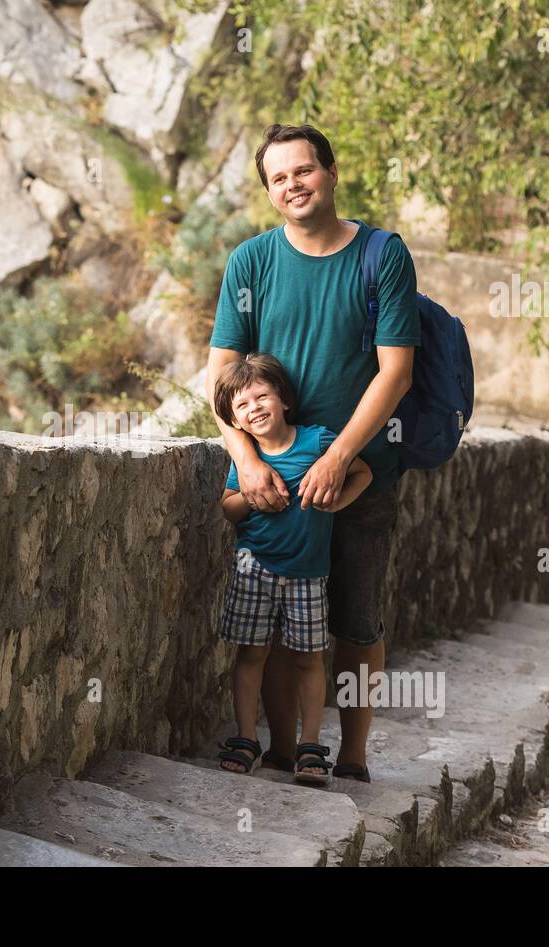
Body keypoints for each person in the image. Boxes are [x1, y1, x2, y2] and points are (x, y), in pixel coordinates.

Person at [206, 123, 420, 783]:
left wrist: (337, 456)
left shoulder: (382, 256)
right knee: (270, 622)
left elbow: (396, 373)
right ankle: (279, 748)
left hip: (359, 474)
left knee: (356, 622)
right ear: (270, 191)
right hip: (272, 474)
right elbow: (217, 376)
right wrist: (245, 458)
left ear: (329, 171)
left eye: (303, 170)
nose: (293, 185)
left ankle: (350, 756)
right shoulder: (253, 262)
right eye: (279, 178)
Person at [214, 353, 372, 784]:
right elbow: (228, 509)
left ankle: (310, 746)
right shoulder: (246, 462)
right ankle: (247, 738)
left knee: (308, 660)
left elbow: (362, 472)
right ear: (237, 422)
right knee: (252, 656)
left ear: (283, 399)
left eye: (261, 396)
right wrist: (250, 489)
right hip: (254, 572)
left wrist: (339, 501)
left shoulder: (318, 441)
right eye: (242, 407)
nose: (254, 409)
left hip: (308, 575)